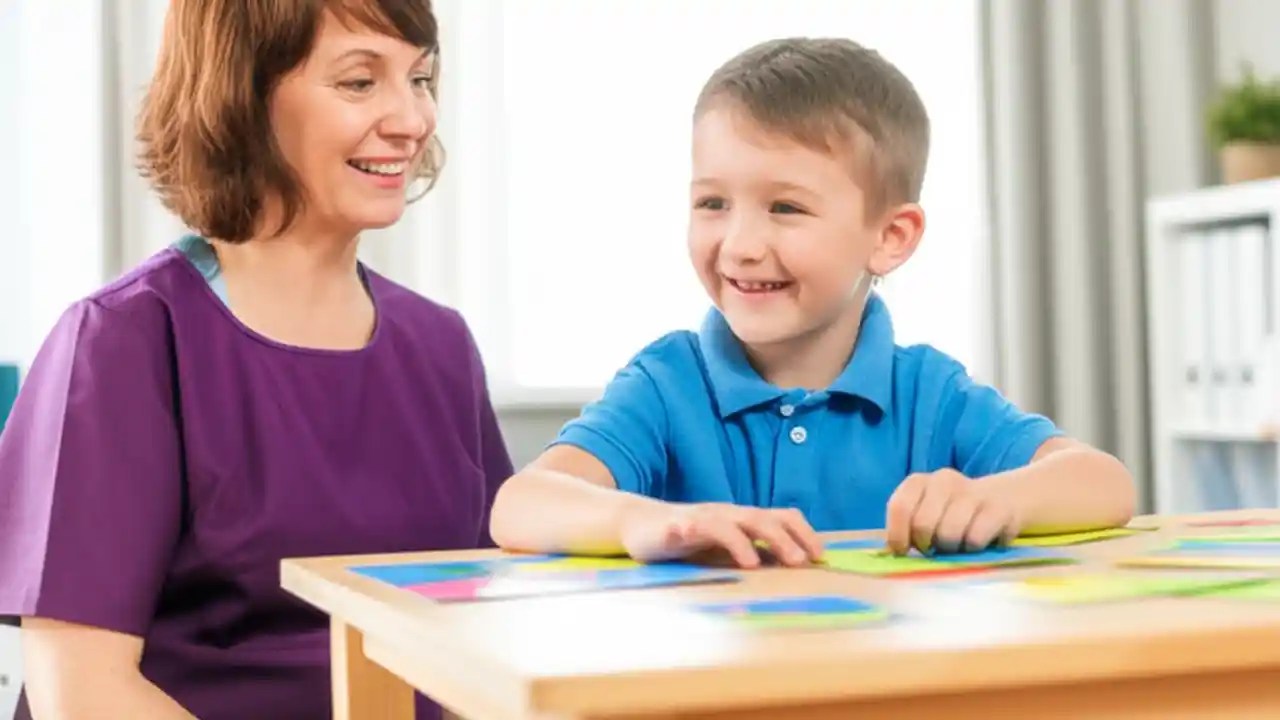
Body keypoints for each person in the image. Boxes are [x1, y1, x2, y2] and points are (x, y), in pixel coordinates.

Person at [0, 2, 511, 719]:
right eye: (361, 82)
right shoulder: (124, 342)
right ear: (242, 95)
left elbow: (492, 637)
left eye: (421, 78)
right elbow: (81, 692)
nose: (411, 118)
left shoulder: (441, 347)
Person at [488, 37, 1136, 568]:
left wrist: (1001, 499)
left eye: (786, 208)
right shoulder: (664, 385)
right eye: (713, 203)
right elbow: (520, 504)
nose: (740, 245)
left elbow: (1104, 483)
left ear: (890, 237)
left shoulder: (929, 394)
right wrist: (647, 520)